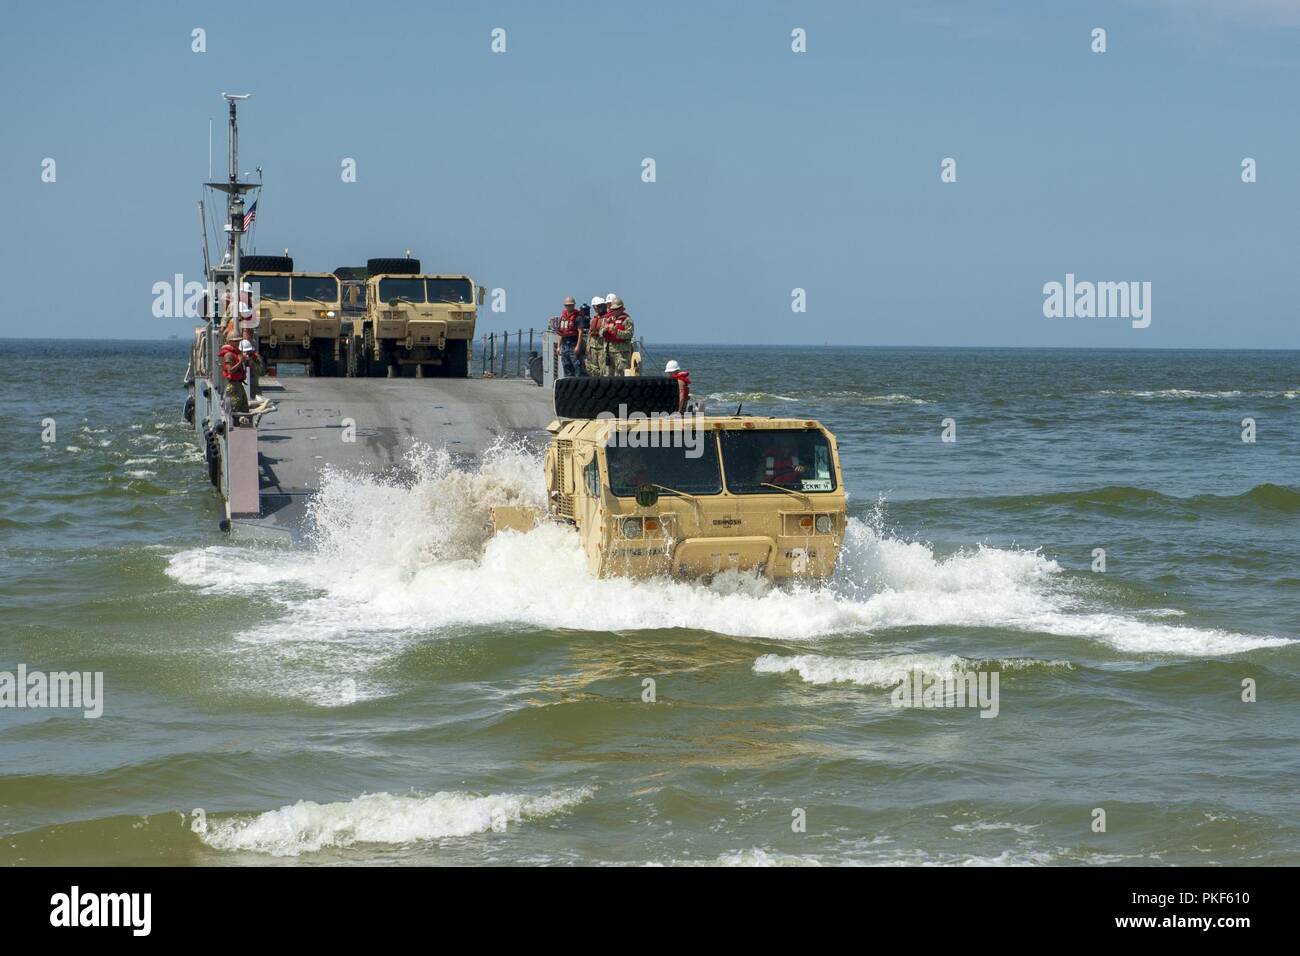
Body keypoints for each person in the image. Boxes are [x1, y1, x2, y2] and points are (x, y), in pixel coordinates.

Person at [603, 295, 635, 375]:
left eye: (616, 309)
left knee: (621, 374)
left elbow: (629, 334)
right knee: (608, 375)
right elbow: (601, 333)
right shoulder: (609, 319)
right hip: (610, 351)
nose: (614, 311)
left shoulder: (627, 320)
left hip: (622, 352)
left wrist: (617, 331)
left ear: (622, 309)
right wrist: (605, 329)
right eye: (613, 309)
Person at [219, 338, 252, 413]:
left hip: (239, 385)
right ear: (231, 342)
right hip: (233, 386)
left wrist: (245, 361)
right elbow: (230, 370)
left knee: (244, 408)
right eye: (236, 341)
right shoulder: (228, 355)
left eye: (238, 341)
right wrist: (240, 362)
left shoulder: (238, 354)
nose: (238, 343)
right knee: (234, 409)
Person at [556, 296, 582, 377]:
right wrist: (558, 346)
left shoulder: (578, 317)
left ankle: (578, 384)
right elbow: (561, 333)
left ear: (574, 305)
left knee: (576, 365)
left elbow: (580, 332)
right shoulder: (563, 317)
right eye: (567, 305)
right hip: (564, 344)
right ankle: (568, 383)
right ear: (565, 306)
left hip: (573, 343)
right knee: (566, 364)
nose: (569, 307)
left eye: (571, 305)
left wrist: (578, 346)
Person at [585, 294, 608, 375]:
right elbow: (590, 334)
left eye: (599, 306)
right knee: (593, 368)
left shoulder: (607, 318)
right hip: (593, 347)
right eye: (595, 306)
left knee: (603, 369)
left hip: (602, 347)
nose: (597, 308)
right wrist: (588, 347)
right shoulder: (594, 319)